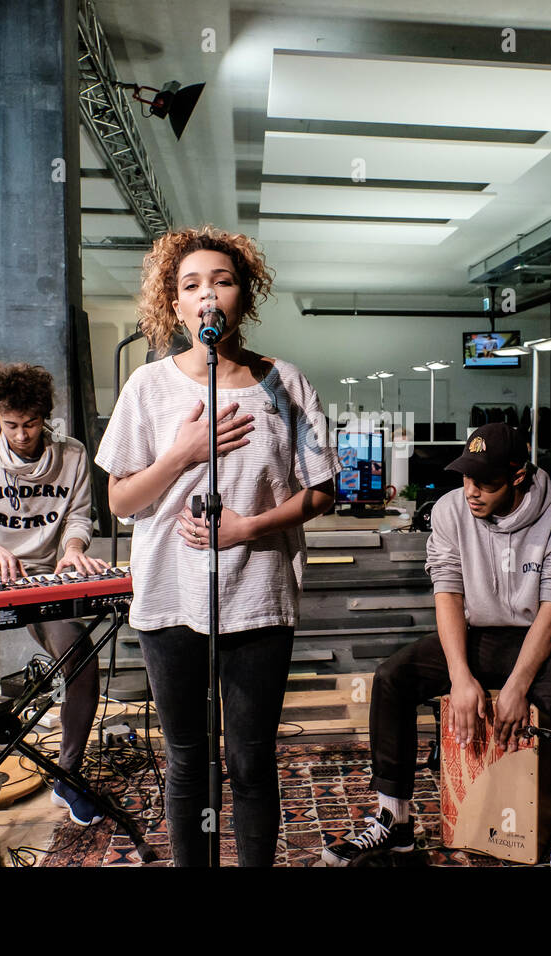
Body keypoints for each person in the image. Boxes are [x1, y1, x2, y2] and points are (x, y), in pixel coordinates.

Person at [95, 225, 339, 867]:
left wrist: (248, 527)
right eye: (191, 285)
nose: (207, 295)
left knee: (251, 757)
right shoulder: (147, 388)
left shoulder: (283, 383)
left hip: (258, 598)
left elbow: (323, 492)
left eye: (222, 281)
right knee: (186, 759)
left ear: (244, 296)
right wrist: (180, 455)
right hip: (170, 600)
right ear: (173, 305)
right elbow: (120, 503)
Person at [324, 422, 551, 867]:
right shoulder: (450, 510)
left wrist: (517, 686)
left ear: (517, 476)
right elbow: (448, 592)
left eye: (486, 483)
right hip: (477, 634)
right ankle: (393, 819)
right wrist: (459, 676)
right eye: (466, 478)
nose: (471, 492)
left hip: (540, 635)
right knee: (392, 678)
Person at [0, 362, 111, 845]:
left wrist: (74, 549)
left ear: (44, 417)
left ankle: (67, 774)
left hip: (40, 573)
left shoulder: (72, 454)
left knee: (77, 651)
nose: (20, 434)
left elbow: (79, 517)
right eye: (10, 424)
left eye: (30, 424)